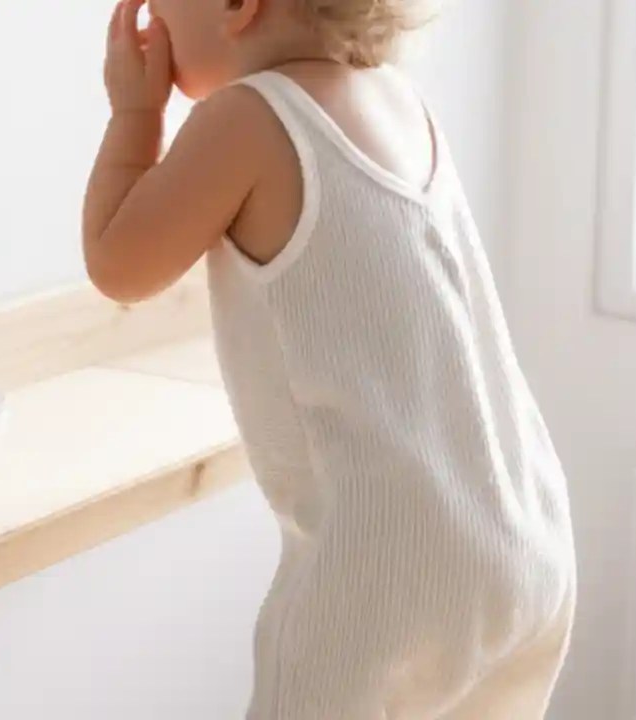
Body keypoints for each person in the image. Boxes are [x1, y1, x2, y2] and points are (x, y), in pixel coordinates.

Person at [82, 0, 577, 716]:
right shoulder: (397, 101)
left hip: (388, 571)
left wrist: (134, 116)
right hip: (523, 531)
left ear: (237, 5)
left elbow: (119, 264)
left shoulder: (246, 118)